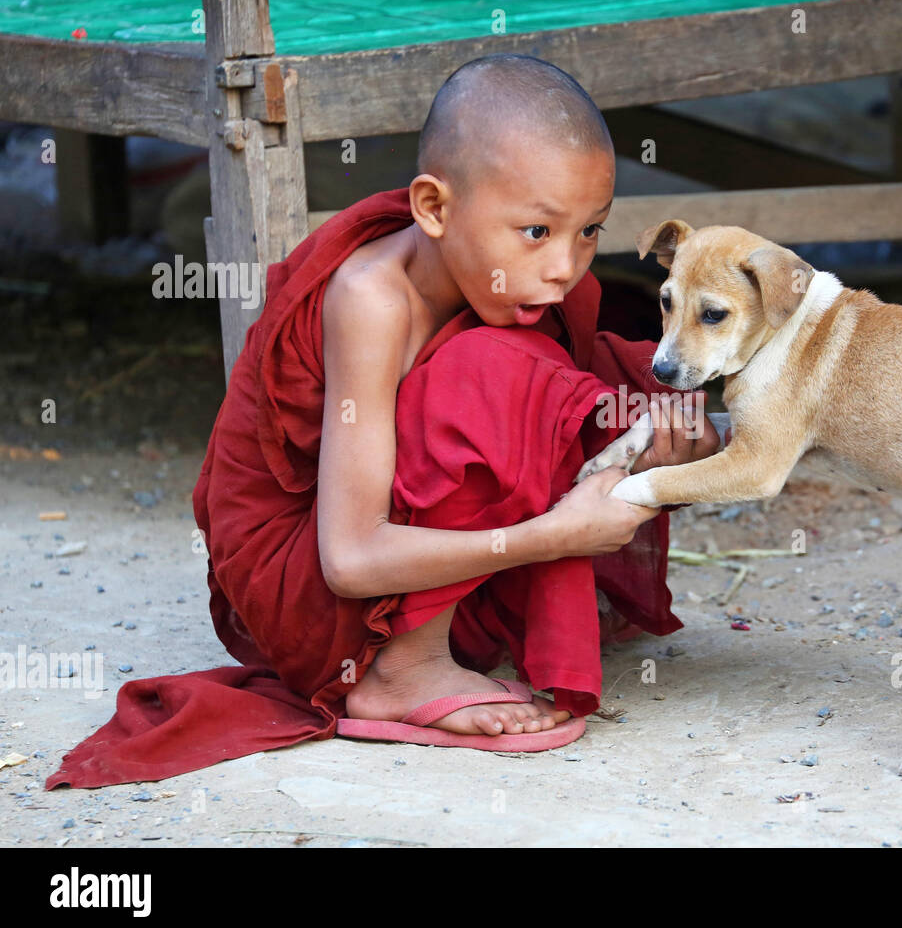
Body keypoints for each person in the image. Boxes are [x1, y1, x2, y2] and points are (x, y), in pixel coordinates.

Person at [46, 53, 721, 790]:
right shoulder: (373, 300)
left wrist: (665, 453)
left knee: (605, 386)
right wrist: (555, 537)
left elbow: (579, 399)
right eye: (536, 231)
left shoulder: (519, 284)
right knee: (493, 377)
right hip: (314, 586)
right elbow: (350, 557)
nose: (565, 267)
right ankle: (400, 671)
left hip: (416, 560)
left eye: (588, 231)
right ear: (433, 208)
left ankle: (454, 631)